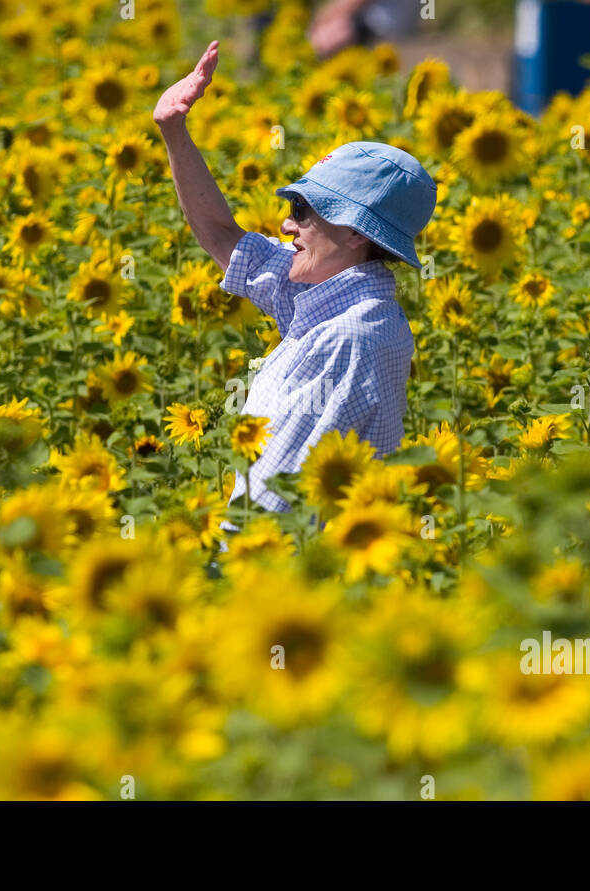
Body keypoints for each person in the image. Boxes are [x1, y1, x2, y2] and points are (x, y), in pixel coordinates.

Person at [152, 41, 437, 543]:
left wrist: (221, 570)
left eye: (303, 210)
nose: (286, 224)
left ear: (355, 233)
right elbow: (222, 236)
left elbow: (274, 504)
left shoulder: (349, 338)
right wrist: (173, 129)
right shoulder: (329, 298)